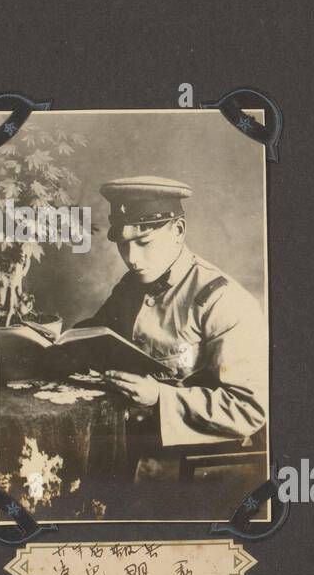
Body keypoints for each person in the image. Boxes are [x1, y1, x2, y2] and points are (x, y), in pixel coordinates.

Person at [80, 176, 266, 470]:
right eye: (123, 245)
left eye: (144, 242)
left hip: (186, 464)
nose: (132, 258)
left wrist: (159, 396)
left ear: (178, 230)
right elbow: (100, 333)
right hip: (124, 442)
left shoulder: (224, 300)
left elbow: (248, 411)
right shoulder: (134, 283)